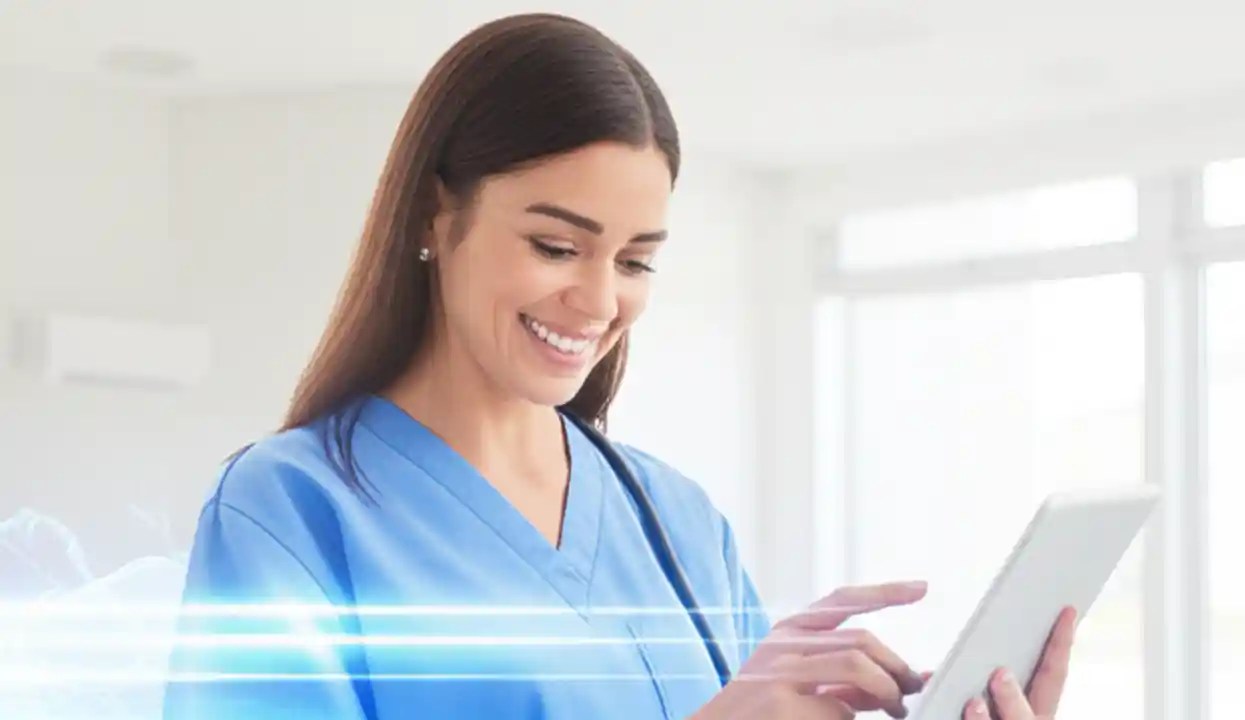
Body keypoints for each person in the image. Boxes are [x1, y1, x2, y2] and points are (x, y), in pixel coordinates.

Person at [161, 12, 1076, 720]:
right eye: (558, 246)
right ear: (435, 219)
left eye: (636, 261)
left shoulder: (678, 524)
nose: (600, 302)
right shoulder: (289, 511)